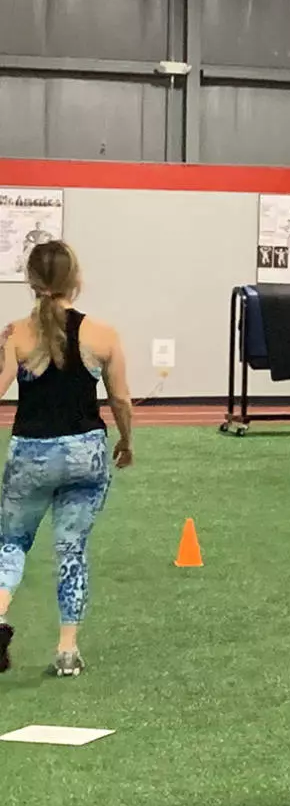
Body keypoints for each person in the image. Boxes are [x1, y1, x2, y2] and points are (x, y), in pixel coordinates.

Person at [0, 242, 134, 677]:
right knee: (71, 549)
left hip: (31, 454)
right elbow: (120, 399)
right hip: (84, 454)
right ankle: (67, 650)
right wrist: (126, 441)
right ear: (76, 279)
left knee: (11, 544)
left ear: (31, 281)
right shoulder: (103, 334)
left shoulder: (16, 334)